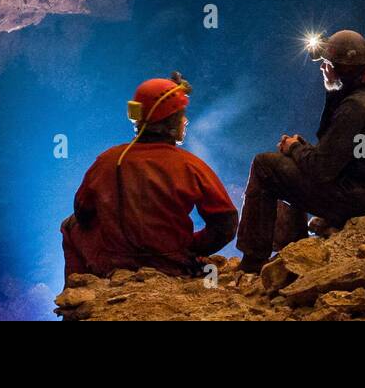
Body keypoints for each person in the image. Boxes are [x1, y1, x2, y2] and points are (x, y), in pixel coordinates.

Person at [236, 30, 365, 273]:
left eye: (326, 64)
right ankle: (293, 246)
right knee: (292, 160)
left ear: (339, 69)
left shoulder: (354, 107)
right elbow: (339, 154)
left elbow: (321, 169)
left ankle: (252, 262)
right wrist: (301, 149)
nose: (323, 69)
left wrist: (294, 147)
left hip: (358, 198)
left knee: (265, 165)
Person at [61, 72, 237, 280]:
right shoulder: (190, 166)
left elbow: (83, 212)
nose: (186, 121)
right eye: (182, 115)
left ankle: (80, 293)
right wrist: (192, 247)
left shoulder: (108, 161)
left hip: (114, 263)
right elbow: (226, 223)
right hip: (173, 263)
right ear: (172, 123)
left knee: (69, 225)